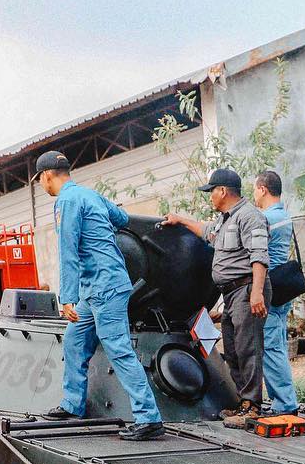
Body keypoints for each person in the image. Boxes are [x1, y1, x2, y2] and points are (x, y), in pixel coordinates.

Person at [36, 150, 164, 440]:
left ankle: (148, 418)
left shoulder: (67, 201)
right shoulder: (89, 195)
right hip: (95, 287)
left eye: (40, 180)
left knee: (118, 349)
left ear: (46, 176)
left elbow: (67, 251)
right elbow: (121, 217)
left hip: (104, 287)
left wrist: (66, 298)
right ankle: (72, 405)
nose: (42, 185)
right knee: (74, 339)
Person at [163, 167, 270, 428]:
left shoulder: (249, 217)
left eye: (211, 191)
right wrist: (180, 220)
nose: (210, 196)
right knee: (232, 350)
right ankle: (243, 403)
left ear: (223, 191)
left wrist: (257, 292)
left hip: (247, 289)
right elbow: (207, 232)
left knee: (248, 348)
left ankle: (253, 408)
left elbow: (259, 255)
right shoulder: (225, 219)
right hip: (232, 293)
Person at [252, 170, 299, 415]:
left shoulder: (265, 219)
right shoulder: (284, 215)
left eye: (254, 189)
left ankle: (284, 405)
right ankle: (284, 401)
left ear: (262, 189)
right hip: (282, 289)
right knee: (277, 345)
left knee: (271, 349)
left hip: (269, 289)